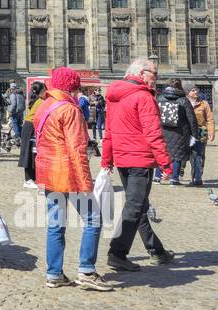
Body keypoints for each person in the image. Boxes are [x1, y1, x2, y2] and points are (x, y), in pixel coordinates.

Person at [30, 66, 111, 290]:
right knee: (93, 219)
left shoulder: (44, 106)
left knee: (56, 224)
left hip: (48, 171)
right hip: (68, 174)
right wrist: (86, 181)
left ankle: (54, 273)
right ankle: (87, 270)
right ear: (72, 87)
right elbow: (77, 150)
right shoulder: (70, 110)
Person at [101, 58, 175, 272]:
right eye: (154, 74)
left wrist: (107, 159)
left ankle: (157, 251)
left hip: (123, 159)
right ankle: (117, 253)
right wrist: (165, 164)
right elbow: (153, 133)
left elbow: (109, 131)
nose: (156, 78)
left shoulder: (115, 96)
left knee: (139, 206)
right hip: (139, 160)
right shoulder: (143, 97)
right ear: (142, 73)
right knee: (135, 207)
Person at [153, 78, 197, 185]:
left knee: (162, 153)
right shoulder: (183, 100)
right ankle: (174, 178)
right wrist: (194, 134)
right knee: (177, 156)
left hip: (163, 130)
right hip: (180, 132)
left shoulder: (159, 98)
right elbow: (191, 119)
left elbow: (154, 114)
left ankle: (157, 177)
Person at [18, 81, 46, 189]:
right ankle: (28, 180)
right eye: (45, 90)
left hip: (30, 126)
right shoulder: (41, 102)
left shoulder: (36, 100)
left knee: (33, 153)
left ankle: (33, 178)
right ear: (42, 91)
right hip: (30, 127)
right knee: (29, 153)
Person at [187, 87, 215, 186]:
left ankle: (197, 177)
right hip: (187, 132)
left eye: (197, 90)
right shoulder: (184, 102)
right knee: (187, 155)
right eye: (193, 90)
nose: (196, 92)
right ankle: (176, 174)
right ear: (187, 92)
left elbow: (210, 119)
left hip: (201, 132)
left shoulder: (204, 103)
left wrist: (211, 131)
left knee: (199, 155)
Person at [7, 81, 26, 148]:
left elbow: (14, 104)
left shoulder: (13, 94)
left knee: (15, 125)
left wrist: (10, 111)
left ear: (11, 88)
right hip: (21, 111)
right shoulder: (21, 94)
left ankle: (18, 138)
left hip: (15, 112)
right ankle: (22, 137)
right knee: (19, 125)